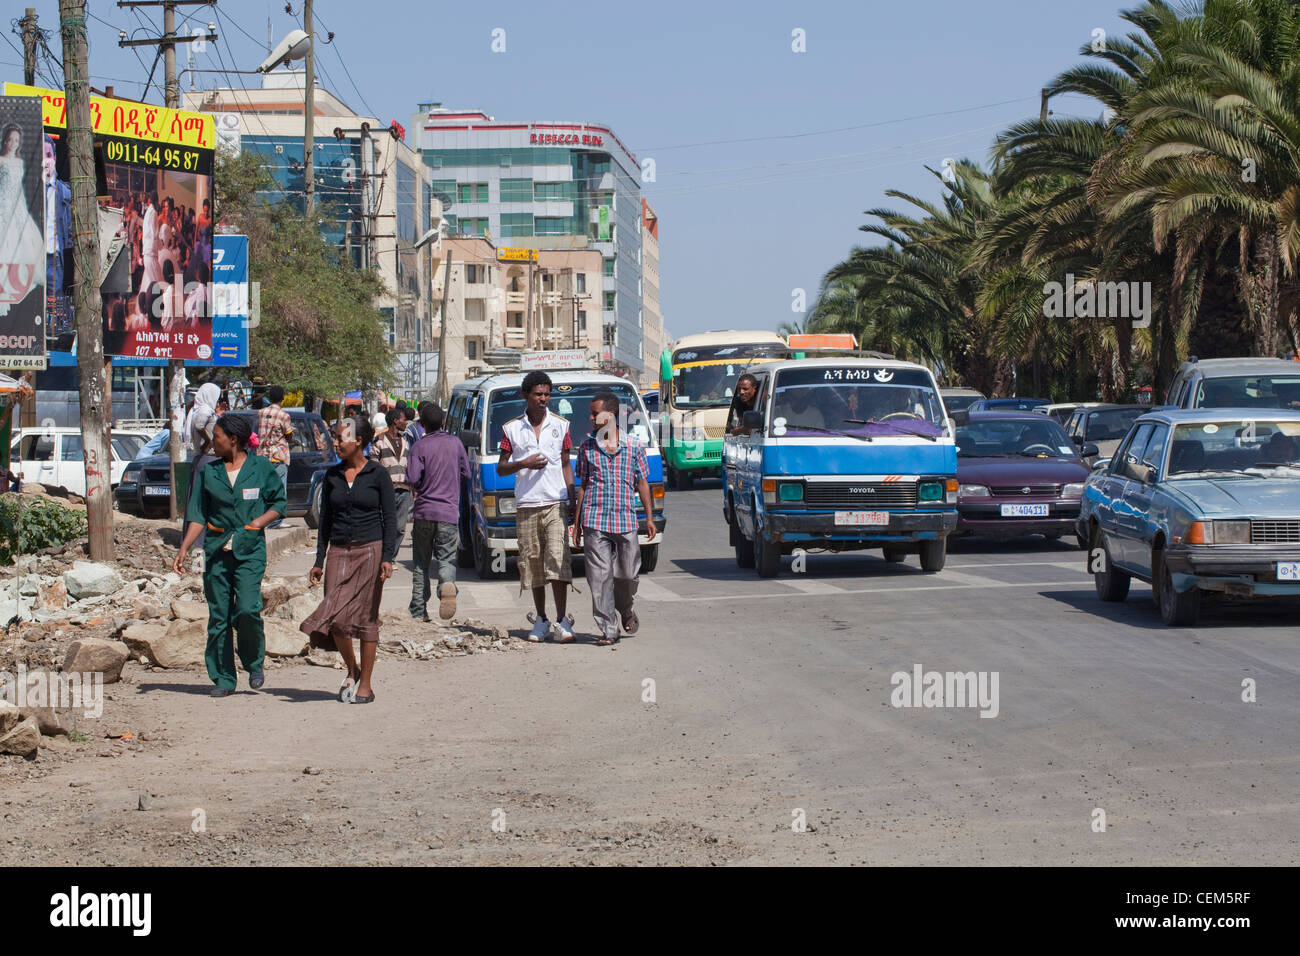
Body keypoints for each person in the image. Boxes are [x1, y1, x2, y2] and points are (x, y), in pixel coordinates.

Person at [173, 413, 287, 697]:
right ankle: (223, 678)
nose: (214, 442)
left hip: (250, 552)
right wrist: (184, 547)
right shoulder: (209, 472)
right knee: (219, 617)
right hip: (217, 552)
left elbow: (278, 502)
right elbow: (198, 515)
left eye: (218, 436)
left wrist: (260, 522)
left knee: (248, 609)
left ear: (233, 440)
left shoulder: (260, 468)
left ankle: (253, 662)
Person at [300, 415, 396, 705]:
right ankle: (352, 668)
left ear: (360, 442)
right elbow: (325, 522)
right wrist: (319, 560)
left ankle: (366, 682)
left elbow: (389, 519)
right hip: (339, 552)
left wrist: (387, 557)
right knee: (335, 617)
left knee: (367, 618)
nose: (336, 443)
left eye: (341, 438)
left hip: (371, 551)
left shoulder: (378, 475)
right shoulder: (331, 477)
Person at [572, 392, 657, 645]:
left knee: (627, 575)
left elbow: (642, 483)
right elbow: (584, 485)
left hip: (626, 521)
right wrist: (576, 523)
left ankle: (626, 608)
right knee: (599, 578)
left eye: (594, 413)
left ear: (610, 415)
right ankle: (609, 628)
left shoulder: (634, 447)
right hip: (595, 519)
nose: (590, 417)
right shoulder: (587, 448)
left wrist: (649, 518)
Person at [498, 371, 576, 642]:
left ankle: (563, 621)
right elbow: (502, 466)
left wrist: (572, 496)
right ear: (526, 395)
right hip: (527, 504)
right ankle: (541, 619)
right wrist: (523, 463)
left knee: (558, 559)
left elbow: (566, 463)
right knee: (533, 564)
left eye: (546, 394)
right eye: (537, 394)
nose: (543, 399)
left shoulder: (561, 425)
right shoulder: (511, 429)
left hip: (555, 503)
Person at [407, 402, 469, 621]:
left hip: (424, 511)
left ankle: (418, 610)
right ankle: (447, 585)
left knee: (420, 563)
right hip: (448, 512)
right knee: (446, 559)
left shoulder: (419, 447)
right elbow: (466, 473)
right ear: (443, 422)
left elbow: (413, 479)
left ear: (422, 425)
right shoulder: (456, 443)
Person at [0, 125, 46, 285]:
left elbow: (19, 187)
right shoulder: (1, 161)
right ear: (5, 140)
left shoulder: (19, 162)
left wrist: (22, 207)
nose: (13, 143)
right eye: (10, 139)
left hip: (17, 204)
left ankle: (18, 277)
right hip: (3, 202)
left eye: (16, 140)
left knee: (26, 239)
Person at [368, 407, 413, 553]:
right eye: (403, 419)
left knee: (400, 528)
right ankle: (384, 557)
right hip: (387, 490)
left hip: (405, 490)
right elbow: (373, 466)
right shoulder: (379, 442)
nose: (406, 422)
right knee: (386, 525)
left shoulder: (405, 441)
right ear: (395, 421)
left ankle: (391, 556)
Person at [256, 385, 293, 530]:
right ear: (282, 398)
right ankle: (274, 522)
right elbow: (288, 433)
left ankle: (263, 519)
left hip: (262, 456)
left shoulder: (261, 413)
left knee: (264, 491)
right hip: (278, 456)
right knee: (278, 491)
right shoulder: (284, 416)